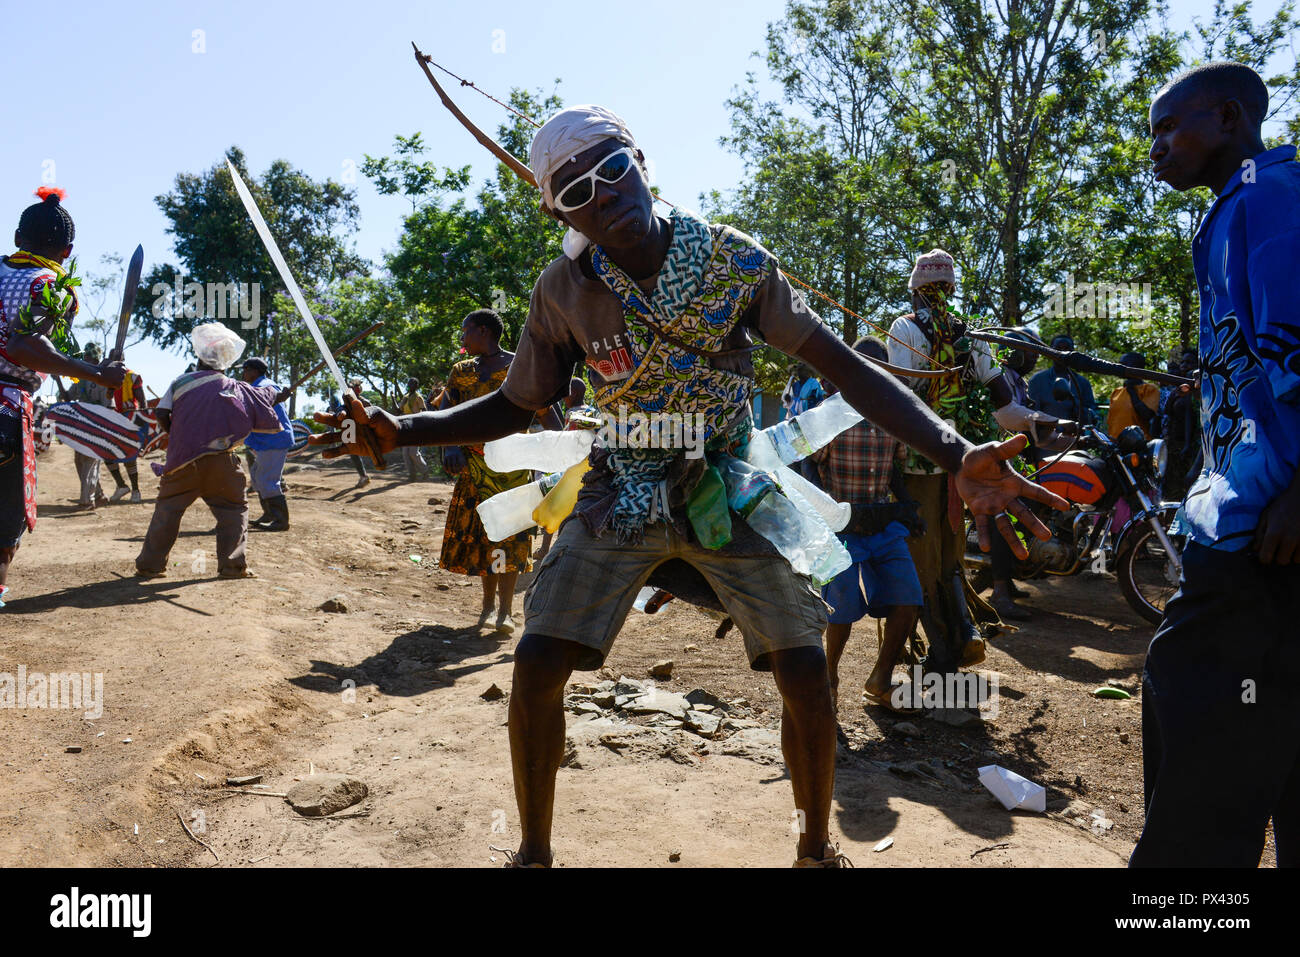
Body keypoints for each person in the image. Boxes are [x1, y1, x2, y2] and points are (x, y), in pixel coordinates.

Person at [313, 106, 1063, 867]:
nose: (603, 195)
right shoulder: (562, 291)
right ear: (556, 211)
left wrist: (955, 448)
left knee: (804, 669)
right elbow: (517, 402)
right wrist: (400, 428)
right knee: (536, 662)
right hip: (617, 485)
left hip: (729, 482)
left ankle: (814, 848)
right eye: (575, 191)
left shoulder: (734, 263)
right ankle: (533, 853)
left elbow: (846, 368)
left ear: (640, 160)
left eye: (613, 170)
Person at [1131, 62, 1300, 867]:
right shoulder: (1237, 208)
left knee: (1201, 736)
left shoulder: (1273, 203)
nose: (1156, 148)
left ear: (1229, 117)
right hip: (1251, 527)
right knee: (1267, 734)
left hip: (1258, 536)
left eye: (1169, 128)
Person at [887, 249, 1013, 671]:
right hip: (960, 464)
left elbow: (900, 397)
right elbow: (1003, 395)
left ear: (916, 291)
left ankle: (944, 650)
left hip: (917, 464)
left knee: (921, 559)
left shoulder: (904, 328)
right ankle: (961, 638)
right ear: (950, 290)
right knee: (949, 555)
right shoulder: (969, 335)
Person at [0, 188, 125, 606]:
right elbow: (24, 347)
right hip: (4, 411)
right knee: (3, 526)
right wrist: (97, 373)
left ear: (18, 238)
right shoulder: (49, 285)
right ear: (68, 250)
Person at [812, 338, 924, 712]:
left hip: (881, 520)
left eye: (881, 371)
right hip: (840, 524)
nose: (874, 376)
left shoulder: (893, 413)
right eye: (866, 368)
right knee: (841, 607)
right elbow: (810, 464)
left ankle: (880, 678)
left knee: (908, 600)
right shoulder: (831, 411)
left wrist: (908, 508)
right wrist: (819, 507)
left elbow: (894, 469)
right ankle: (828, 679)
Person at [135, 324, 281, 580]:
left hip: (182, 462)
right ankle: (232, 566)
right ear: (227, 360)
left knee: (167, 510)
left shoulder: (180, 382)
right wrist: (279, 394)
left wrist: (178, 436)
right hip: (221, 464)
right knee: (233, 510)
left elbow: (161, 412)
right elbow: (262, 398)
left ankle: (150, 566)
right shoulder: (235, 386)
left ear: (199, 355)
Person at [436, 309, 536, 635]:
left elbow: (546, 410)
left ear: (482, 330)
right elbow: (444, 410)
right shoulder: (461, 372)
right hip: (473, 469)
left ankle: (506, 612)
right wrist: (450, 447)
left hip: (512, 470)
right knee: (485, 537)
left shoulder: (520, 367)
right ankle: (488, 608)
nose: (462, 339)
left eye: (465, 331)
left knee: (510, 539)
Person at [986, 328, 1078, 619]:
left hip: (1020, 459)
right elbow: (1010, 415)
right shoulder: (999, 379)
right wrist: (1057, 422)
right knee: (1005, 519)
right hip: (998, 460)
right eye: (1029, 352)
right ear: (1013, 352)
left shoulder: (1019, 382)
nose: (1034, 357)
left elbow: (1034, 430)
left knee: (1029, 512)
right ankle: (999, 591)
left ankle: (1009, 579)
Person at [240, 357, 294, 531]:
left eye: (246, 369)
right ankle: (269, 514)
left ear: (255, 371)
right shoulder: (260, 385)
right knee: (257, 476)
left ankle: (281, 521)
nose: (243, 373)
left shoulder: (265, 386)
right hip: (267, 440)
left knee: (267, 480)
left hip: (274, 439)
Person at [65, 341, 111, 507]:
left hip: (96, 425)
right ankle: (97, 494)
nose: (85, 360)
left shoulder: (101, 379)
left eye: (88, 357)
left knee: (91, 461)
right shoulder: (80, 379)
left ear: (96, 360)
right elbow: (68, 397)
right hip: (81, 424)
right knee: (80, 460)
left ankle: (87, 499)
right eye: (84, 357)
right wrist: (57, 381)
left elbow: (105, 405)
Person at [1028, 334, 1100, 424]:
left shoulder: (1083, 383)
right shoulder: (1037, 380)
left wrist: (1076, 405)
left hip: (1076, 436)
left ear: (1072, 352)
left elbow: (1092, 415)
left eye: (1066, 349)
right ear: (1050, 351)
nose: (1062, 352)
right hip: (1046, 436)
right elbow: (1032, 415)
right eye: (1058, 349)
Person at [105, 366, 146, 502]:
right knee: (107, 454)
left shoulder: (132, 377)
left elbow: (142, 402)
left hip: (128, 421)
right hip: (110, 422)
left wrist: (141, 422)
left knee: (129, 456)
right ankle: (121, 486)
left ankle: (135, 490)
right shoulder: (104, 376)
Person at [1107, 352, 1161, 439]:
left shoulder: (1150, 389)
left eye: (1124, 364)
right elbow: (1111, 422)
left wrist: (1132, 391)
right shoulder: (1117, 392)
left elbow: (1147, 415)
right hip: (1115, 443)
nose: (1120, 367)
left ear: (1137, 366)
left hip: (1138, 445)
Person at [329, 381, 370, 487]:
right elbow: (341, 411)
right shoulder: (345, 405)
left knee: (356, 452)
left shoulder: (364, 402)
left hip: (363, 432)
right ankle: (363, 476)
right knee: (353, 453)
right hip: (353, 432)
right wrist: (338, 414)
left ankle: (364, 476)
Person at [397, 377, 430, 481]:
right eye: (409, 384)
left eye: (413, 384)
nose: (410, 385)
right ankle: (412, 475)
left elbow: (425, 411)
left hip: (415, 425)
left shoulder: (418, 397)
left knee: (413, 452)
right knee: (405, 453)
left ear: (416, 386)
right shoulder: (406, 397)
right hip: (406, 425)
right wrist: (394, 398)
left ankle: (425, 471)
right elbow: (399, 410)